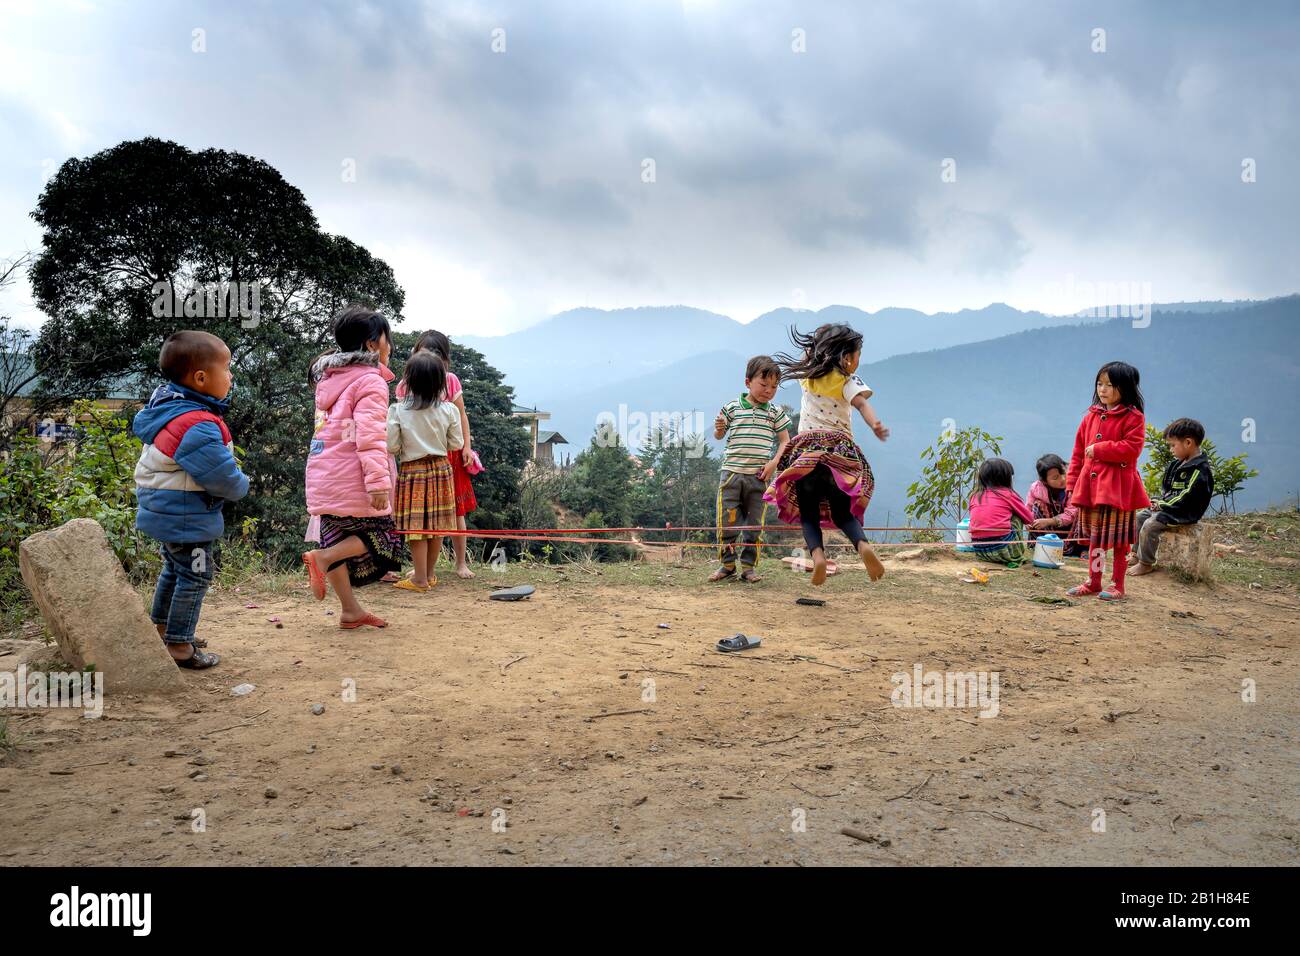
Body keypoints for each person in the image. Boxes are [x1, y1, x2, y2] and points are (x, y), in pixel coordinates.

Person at [133, 330, 249, 669]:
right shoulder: (196, 424)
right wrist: (242, 484)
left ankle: (164, 628)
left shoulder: (170, 410)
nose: (230, 376)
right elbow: (222, 477)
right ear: (201, 378)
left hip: (168, 515)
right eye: (226, 369)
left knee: (175, 569)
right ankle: (180, 646)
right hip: (188, 521)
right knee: (196, 575)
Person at [303, 304, 406, 628]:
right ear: (372, 344)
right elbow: (371, 436)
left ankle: (350, 611)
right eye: (388, 340)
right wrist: (378, 483)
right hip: (355, 477)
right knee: (385, 535)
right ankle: (323, 559)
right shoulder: (371, 382)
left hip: (324, 474)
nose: (391, 347)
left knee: (334, 536)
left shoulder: (329, 380)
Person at [763, 323, 888, 587]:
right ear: (846, 357)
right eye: (856, 355)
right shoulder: (848, 380)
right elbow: (862, 404)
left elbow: (806, 358)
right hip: (838, 455)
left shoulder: (808, 376)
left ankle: (818, 557)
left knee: (808, 514)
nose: (857, 361)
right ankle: (863, 546)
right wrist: (875, 424)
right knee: (843, 515)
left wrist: (819, 340)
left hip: (807, 455)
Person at [1064, 361, 1151, 601]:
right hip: (1092, 489)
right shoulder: (1090, 417)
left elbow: (1132, 449)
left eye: (1110, 385)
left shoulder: (1134, 417)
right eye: (1100, 384)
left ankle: (1118, 585)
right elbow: (1078, 453)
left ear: (1126, 387)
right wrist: (1072, 484)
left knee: (1120, 541)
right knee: (1096, 539)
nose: (1103, 389)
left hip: (1118, 490)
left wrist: (1100, 449)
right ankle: (1093, 581)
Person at [395, 331, 478, 578]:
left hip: (449, 454)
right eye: (425, 353)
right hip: (420, 453)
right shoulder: (405, 384)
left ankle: (460, 562)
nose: (431, 359)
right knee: (421, 514)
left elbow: (461, 414)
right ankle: (424, 569)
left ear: (446, 359)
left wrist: (466, 447)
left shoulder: (450, 381)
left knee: (455, 511)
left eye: (437, 355)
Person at [709, 356, 791, 583]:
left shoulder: (775, 412)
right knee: (727, 522)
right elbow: (718, 435)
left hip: (759, 477)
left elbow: (785, 441)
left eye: (774, 387)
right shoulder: (732, 408)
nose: (768, 391)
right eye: (763, 385)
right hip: (731, 476)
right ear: (748, 383)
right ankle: (726, 565)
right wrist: (718, 428)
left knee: (755, 525)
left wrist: (774, 463)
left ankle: (748, 567)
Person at [387, 351, 464, 591]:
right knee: (437, 525)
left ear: (408, 381)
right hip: (442, 470)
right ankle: (429, 575)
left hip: (413, 472)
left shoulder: (398, 411)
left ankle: (418, 579)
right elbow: (456, 444)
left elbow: (392, 446)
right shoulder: (449, 410)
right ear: (441, 382)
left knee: (416, 526)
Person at [1131, 418, 1214, 577]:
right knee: (1140, 517)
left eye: (1172, 445)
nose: (1171, 449)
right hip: (1170, 508)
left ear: (1188, 443)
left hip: (1184, 512)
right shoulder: (1176, 465)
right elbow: (1167, 490)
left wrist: (1161, 505)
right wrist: (1157, 502)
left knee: (1150, 524)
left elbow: (1186, 497)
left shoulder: (1200, 471)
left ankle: (1145, 563)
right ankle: (1135, 554)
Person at [968, 458, 1036, 565]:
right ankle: (1015, 553)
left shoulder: (975, 495)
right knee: (1017, 516)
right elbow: (1029, 519)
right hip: (1002, 549)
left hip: (979, 549)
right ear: (1005, 478)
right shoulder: (1008, 494)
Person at [1027, 453, 1085, 557]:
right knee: (1037, 506)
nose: (1062, 479)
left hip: (1071, 529)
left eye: (1063, 473)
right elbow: (1028, 508)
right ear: (1045, 481)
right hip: (1051, 530)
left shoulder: (1074, 485)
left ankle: (1081, 549)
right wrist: (1028, 522)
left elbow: (1071, 513)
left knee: (1082, 511)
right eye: (1055, 478)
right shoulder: (1036, 489)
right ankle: (1038, 545)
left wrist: (1050, 521)